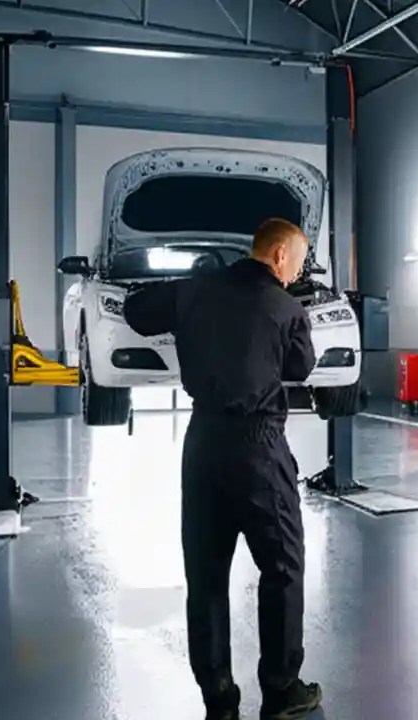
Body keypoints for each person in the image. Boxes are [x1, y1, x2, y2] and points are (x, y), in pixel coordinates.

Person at [123, 218, 322, 720]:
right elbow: (299, 369)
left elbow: (135, 310)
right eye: (297, 262)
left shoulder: (193, 291)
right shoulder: (287, 307)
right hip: (258, 448)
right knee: (281, 567)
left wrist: (188, 298)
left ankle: (219, 700)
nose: (297, 272)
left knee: (207, 574)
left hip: (203, 444)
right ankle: (280, 691)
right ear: (279, 256)